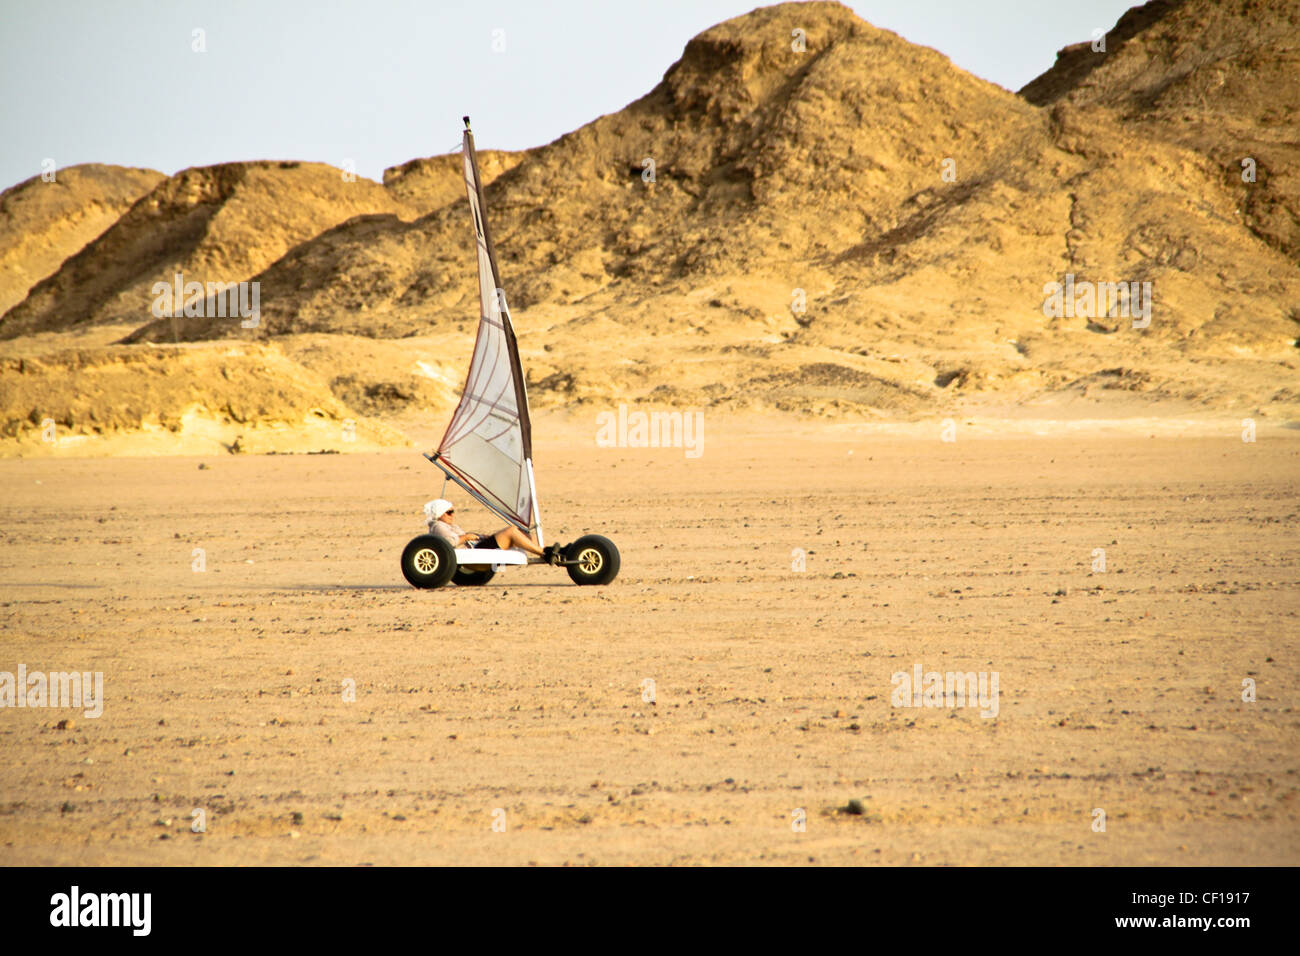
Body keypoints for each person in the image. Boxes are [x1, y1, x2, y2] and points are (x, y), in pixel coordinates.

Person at [424, 499, 560, 563]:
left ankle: (547, 551)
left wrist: (479, 536)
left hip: (477, 546)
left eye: (452, 511)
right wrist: (466, 537)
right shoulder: (438, 526)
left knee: (522, 531)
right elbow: (449, 542)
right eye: (449, 512)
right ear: (440, 514)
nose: (452, 514)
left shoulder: (446, 524)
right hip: (474, 552)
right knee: (512, 531)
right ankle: (545, 554)